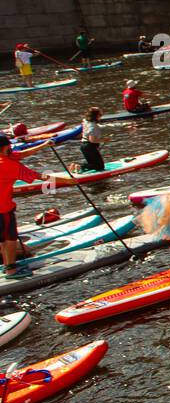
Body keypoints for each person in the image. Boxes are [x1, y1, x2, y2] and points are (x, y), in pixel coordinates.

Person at [0, 135, 75, 277]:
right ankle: (11, 270)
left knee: (3, 239)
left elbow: (22, 154)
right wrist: (66, 181)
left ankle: (6, 266)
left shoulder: (8, 159)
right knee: (9, 239)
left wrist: (44, 144)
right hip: (3, 209)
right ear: (6, 148)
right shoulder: (10, 165)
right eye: (9, 146)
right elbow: (38, 176)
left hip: (3, 208)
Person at [80, 107, 106, 172]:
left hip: (84, 145)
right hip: (90, 147)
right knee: (100, 167)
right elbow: (92, 140)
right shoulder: (94, 126)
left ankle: (80, 166)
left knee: (92, 164)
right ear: (97, 116)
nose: (101, 117)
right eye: (100, 115)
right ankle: (79, 166)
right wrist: (104, 140)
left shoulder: (86, 122)